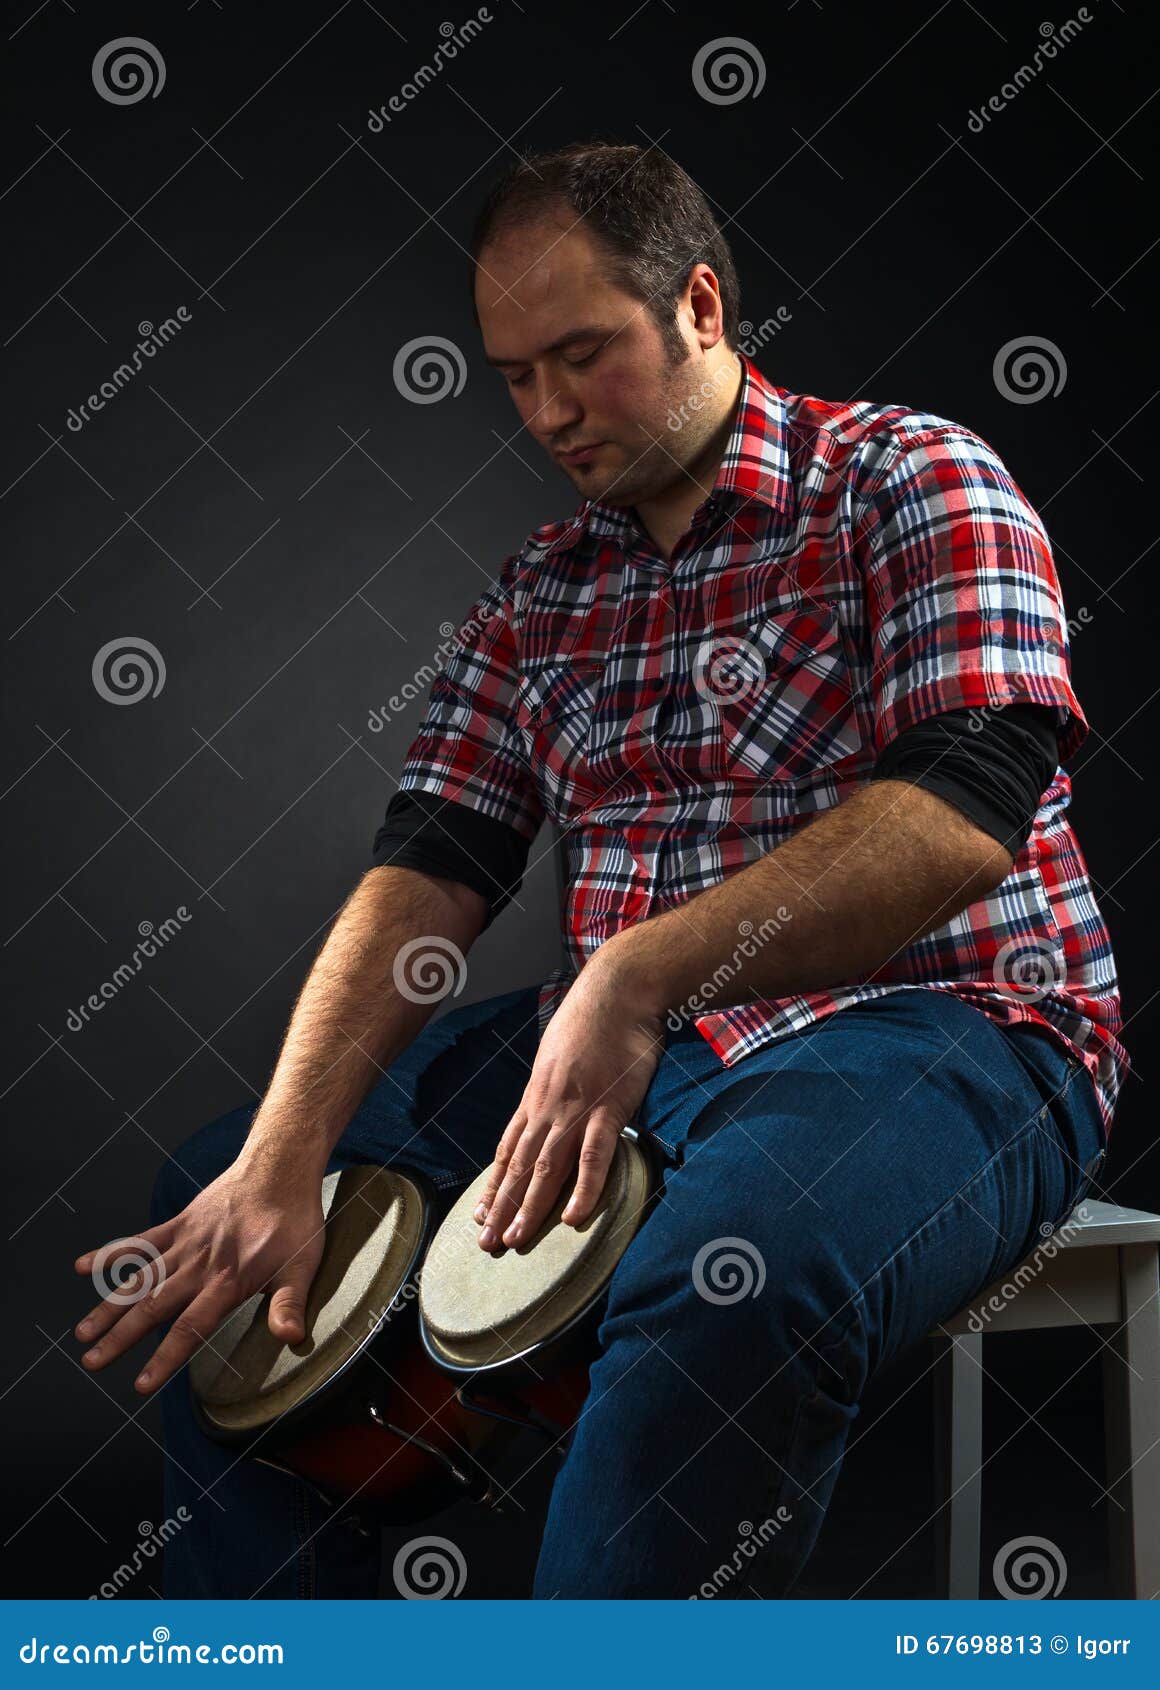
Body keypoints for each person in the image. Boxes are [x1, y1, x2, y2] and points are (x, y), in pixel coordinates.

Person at [72, 141, 1125, 1599]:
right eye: (514, 374)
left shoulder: (916, 477)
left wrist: (638, 971)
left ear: (700, 304)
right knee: (225, 1203)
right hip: (629, 1045)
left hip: (942, 1022)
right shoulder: (543, 592)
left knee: (723, 1279)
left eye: (583, 355)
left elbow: (961, 813)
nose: (551, 412)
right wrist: (285, 1147)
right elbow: (431, 869)